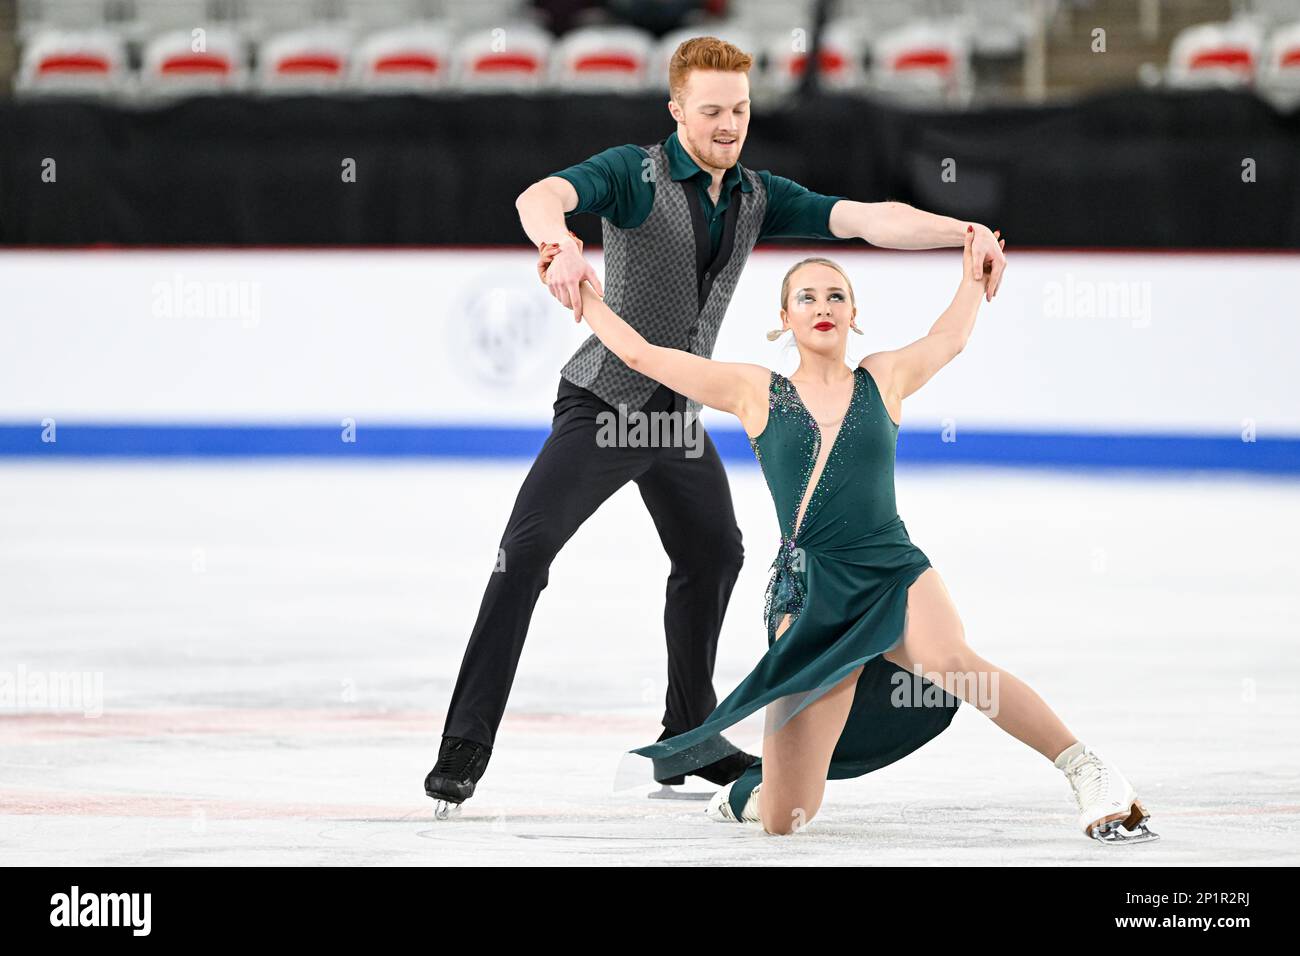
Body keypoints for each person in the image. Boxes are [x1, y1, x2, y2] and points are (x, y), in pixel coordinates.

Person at [425, 35, 1008, 817]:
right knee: (524, 551)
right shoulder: (634, 176)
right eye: (711, 111)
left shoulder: (756, 195)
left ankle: (689, 732)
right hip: (605, 406)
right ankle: (465, 744)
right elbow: (541, 195)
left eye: (739, 109)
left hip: (674, 419)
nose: (729, 124)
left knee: (714, 553)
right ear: (677, 111)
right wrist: (559, 245)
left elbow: (865, 218)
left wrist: (961, 233)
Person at [563, 227, 1158, 844]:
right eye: (807, 298)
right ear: (784, 318)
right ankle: (752, 792)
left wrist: (972, 275)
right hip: (808, 595)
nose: (822, 307)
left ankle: (1088, 770)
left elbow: (948, 338)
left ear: (854, 315)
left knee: (952, 661)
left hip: (891, 569)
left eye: (835, 297)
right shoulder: (754, 389)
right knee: (785, 818)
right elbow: (642, 356)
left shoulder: (884, 377)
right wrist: (588, 296)